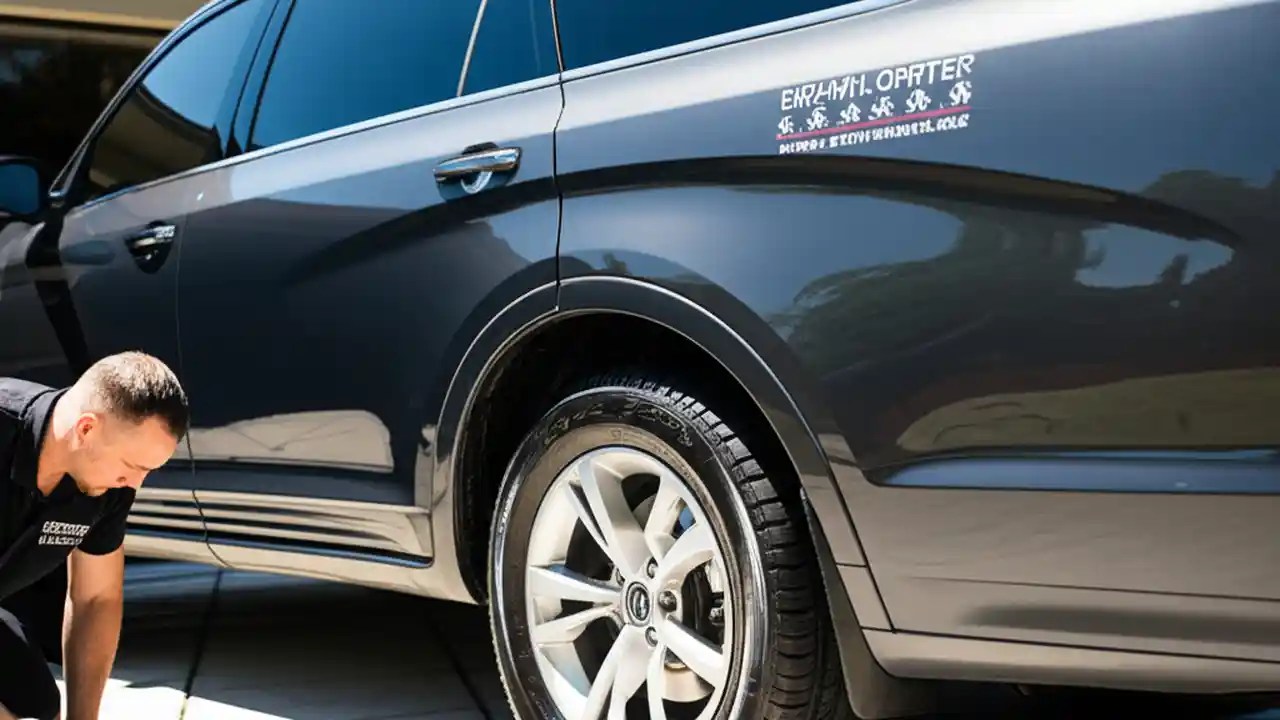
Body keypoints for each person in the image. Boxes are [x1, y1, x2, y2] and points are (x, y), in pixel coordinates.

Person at [0, 352, 188, 720]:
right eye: (131, 466)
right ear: (86, 429)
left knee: (37, 707)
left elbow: (95, 598)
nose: (135, 483)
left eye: (148, 471)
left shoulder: (110, 486)